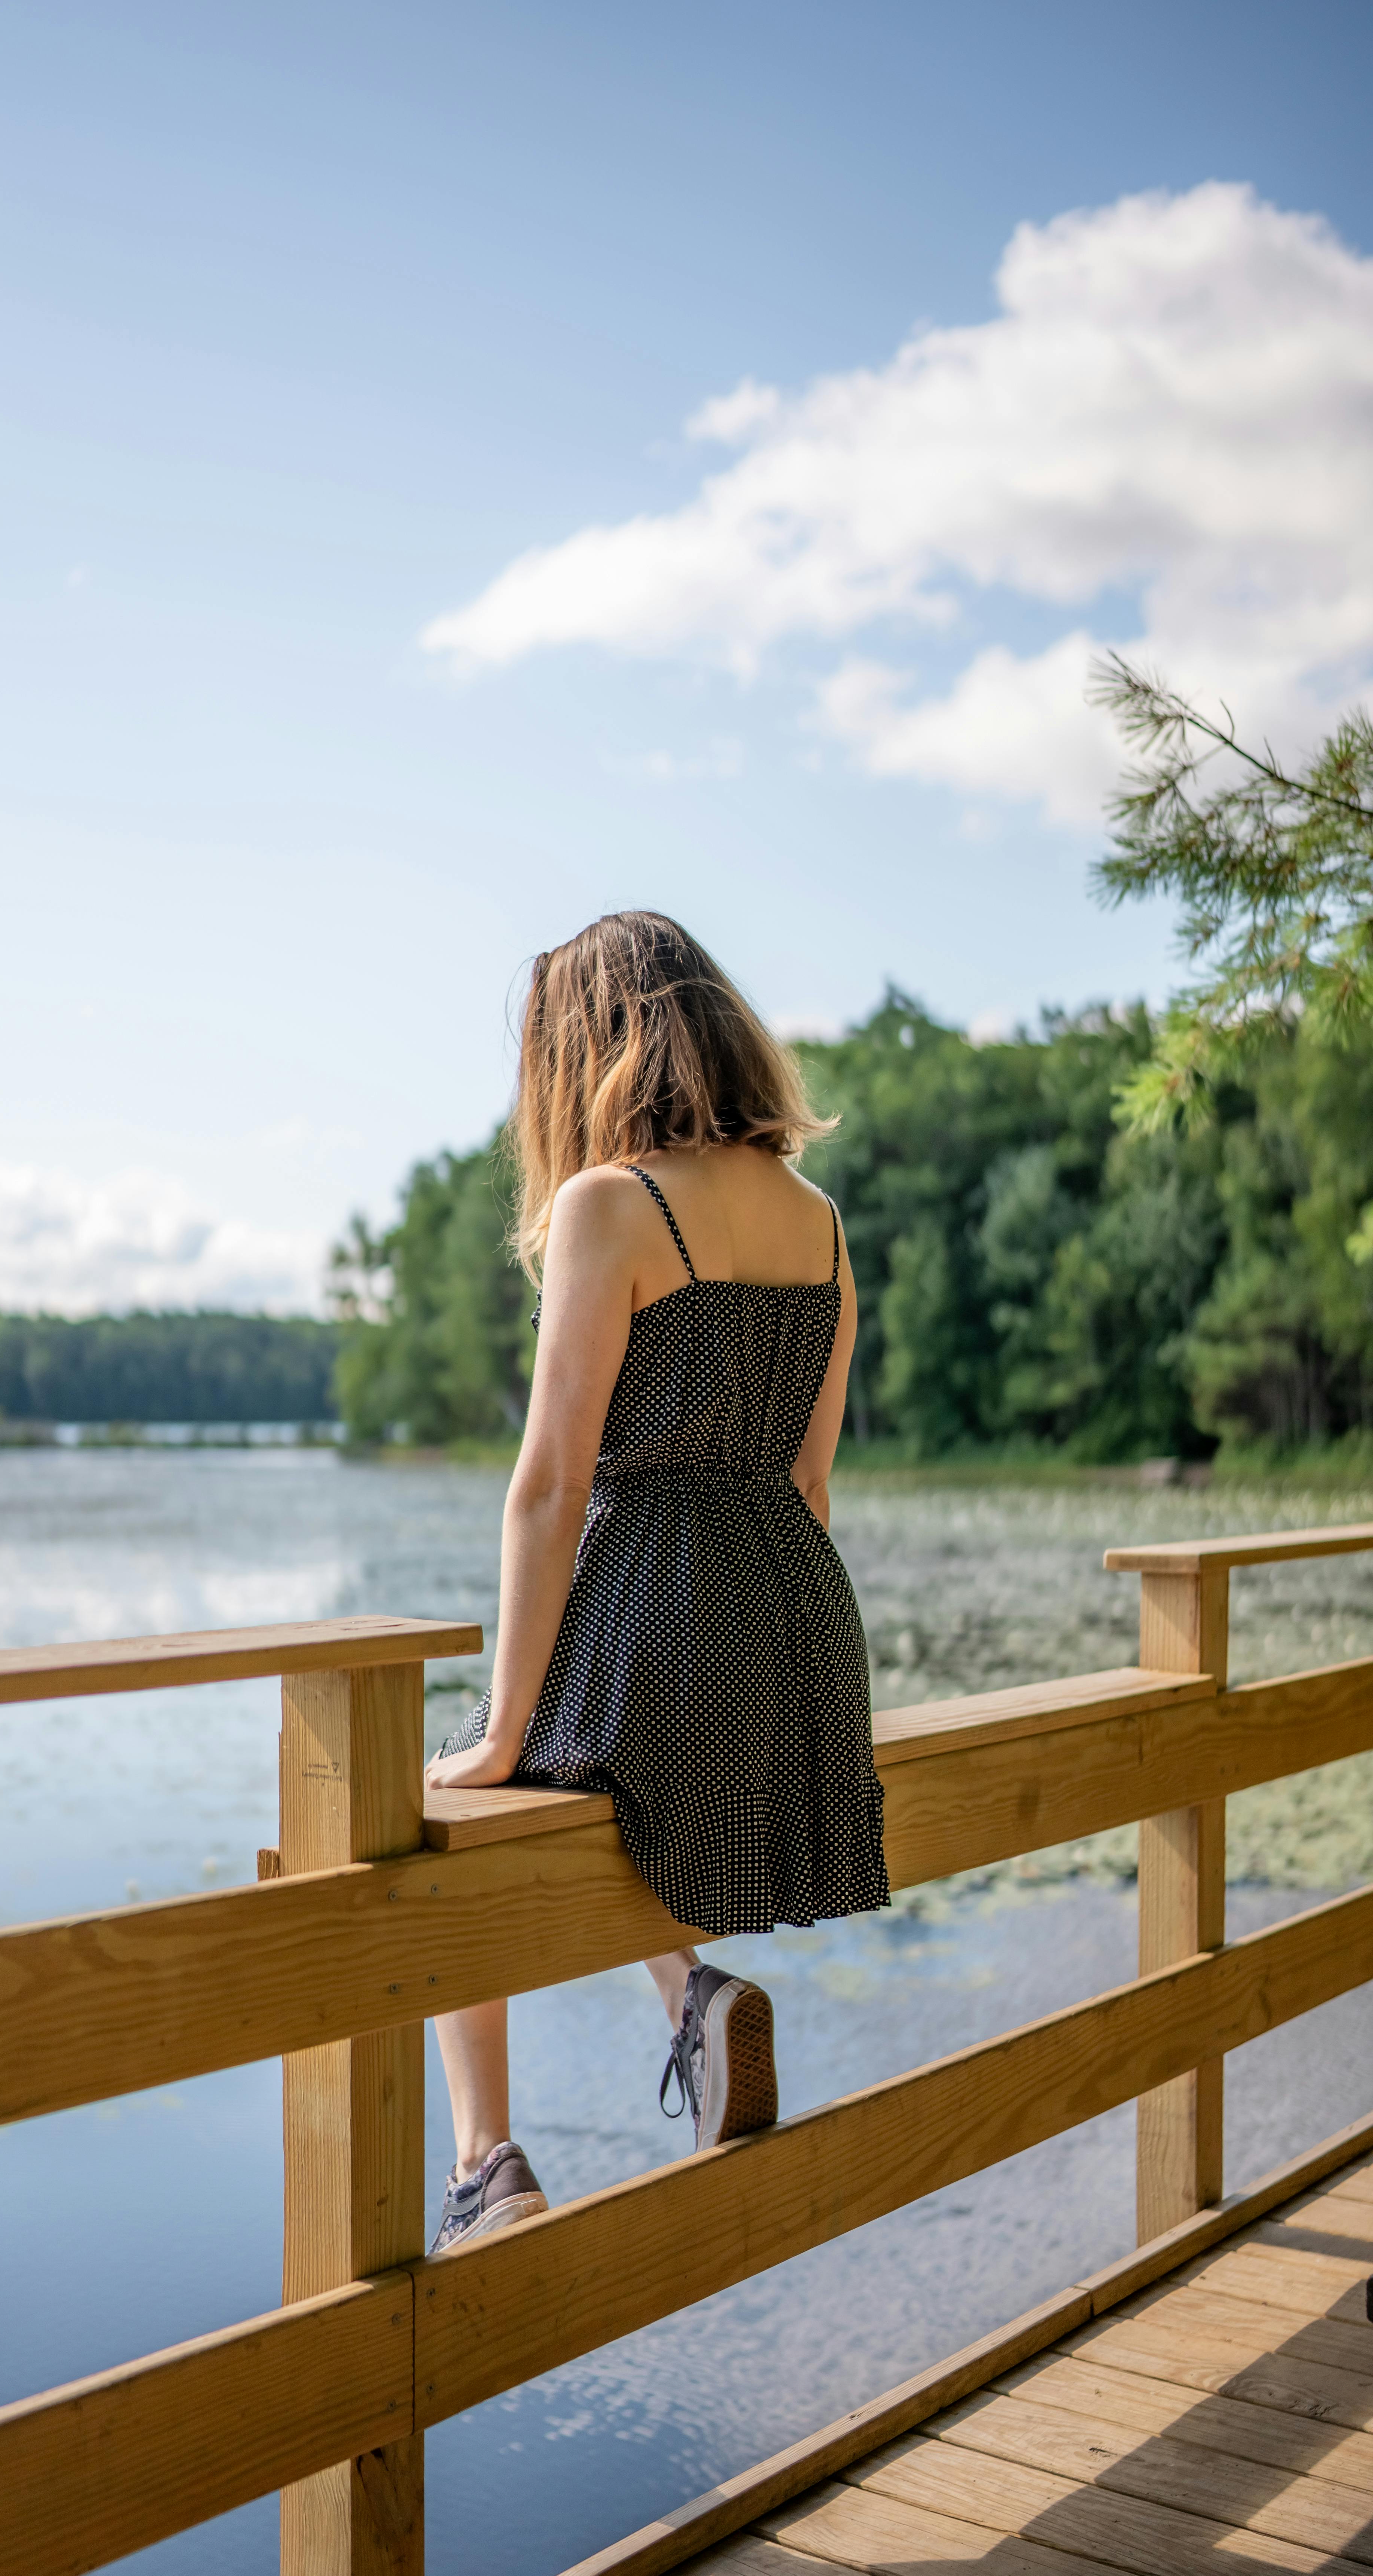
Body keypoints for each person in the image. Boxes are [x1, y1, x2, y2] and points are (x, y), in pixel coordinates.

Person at [425, 911, 889, 2254]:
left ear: (586, 1054)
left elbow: (550, 1484)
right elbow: (808, 1484)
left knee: (457, 1809)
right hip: (798, 1628)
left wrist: (506, 1726)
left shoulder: (608, 1203)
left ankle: (484, 2162)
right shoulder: (820, 1220)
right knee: (615, 1780)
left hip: (662, 1601)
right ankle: (691, 2000)